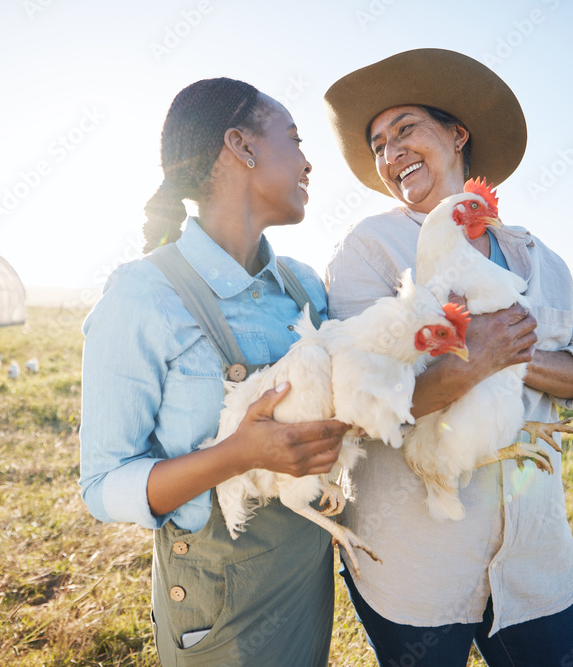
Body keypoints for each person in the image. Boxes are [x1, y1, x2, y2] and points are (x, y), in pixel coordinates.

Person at [323, 49, 573, 666]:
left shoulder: (539, 259)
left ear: (457, 135)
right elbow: (363, 403)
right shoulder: (370, 250)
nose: (390, 153)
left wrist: (512, 356)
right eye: (379, 143)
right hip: (417, 560)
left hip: (532, 559)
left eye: (405, 129)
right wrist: (473, 361)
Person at [79, 77, 350, 666]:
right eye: (296, 139)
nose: (309, 162)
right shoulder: (142, 296)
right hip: (219, 602)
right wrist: (240, 453)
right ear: (241, 146)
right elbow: (102, 486)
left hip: (306, 574)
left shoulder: (306, 288)